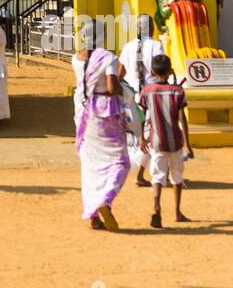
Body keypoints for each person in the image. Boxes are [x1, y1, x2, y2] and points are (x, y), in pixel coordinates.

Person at [75, 31, 130, 231]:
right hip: (108, 113)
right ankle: (105, 201)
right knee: (120, 161)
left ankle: (93, 216)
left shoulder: (78, 59)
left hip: (88, 115)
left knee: (90, 167)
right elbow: (111, 86)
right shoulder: (108, 57)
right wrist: (122, 89)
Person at [139, 53, 194, 228]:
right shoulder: (177, 91)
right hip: (176, 142)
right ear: (170, 71)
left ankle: (157, 208)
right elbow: (182, 119)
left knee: (157, 176)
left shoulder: (147, 91)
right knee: (176, 177)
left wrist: (141, 137)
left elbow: (142, 116)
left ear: (152, 72)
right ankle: (177, 212)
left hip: (156, 141)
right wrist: (187, 144)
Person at [120, 15, 162, 187]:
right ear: (152, 28)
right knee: (152, 136)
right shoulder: (156, 46)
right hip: (152, 97)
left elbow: (120, 73)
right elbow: (159, 70)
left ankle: (140, 172)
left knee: (139, 136)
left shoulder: (128, 47)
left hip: (132, 99)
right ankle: (145, 174)